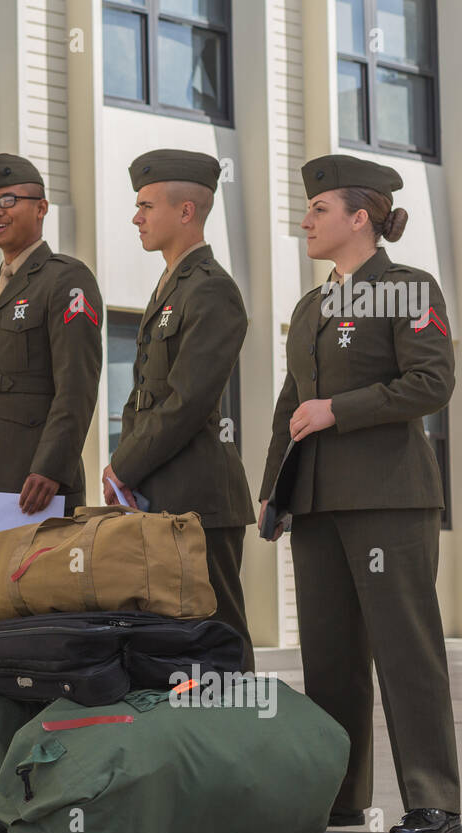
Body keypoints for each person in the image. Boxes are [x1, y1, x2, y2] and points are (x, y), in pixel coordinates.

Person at [259, 153, 461, 833]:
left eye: (318, 210)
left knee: (406, 652)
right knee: (330, 658)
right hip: (316, 502)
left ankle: (434, 802)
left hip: (388, 499)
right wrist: (272, 491)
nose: (305, 220)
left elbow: (431, 383)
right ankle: (341, 798)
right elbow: (291, 404)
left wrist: (339, 410)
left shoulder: (408, 288)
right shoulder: (311, 305)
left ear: (359, 216)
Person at [101, 150, 256, 670]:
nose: (136, 217)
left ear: (186, 211)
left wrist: (124, 464)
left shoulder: (211, 289)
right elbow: (144, 393)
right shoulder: (170, 286)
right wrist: (125, 470)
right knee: (171, 644)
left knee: (217, 638)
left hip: (199, 498)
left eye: (146, 205)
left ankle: (242, 747)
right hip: (159, 493)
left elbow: (187, 401)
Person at [0, 153, 103, 525]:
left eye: (9, 201)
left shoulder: (66, 280)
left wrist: (51, 467)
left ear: (42, 208)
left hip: (37, 484)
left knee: (36, 583)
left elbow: (76, 386)